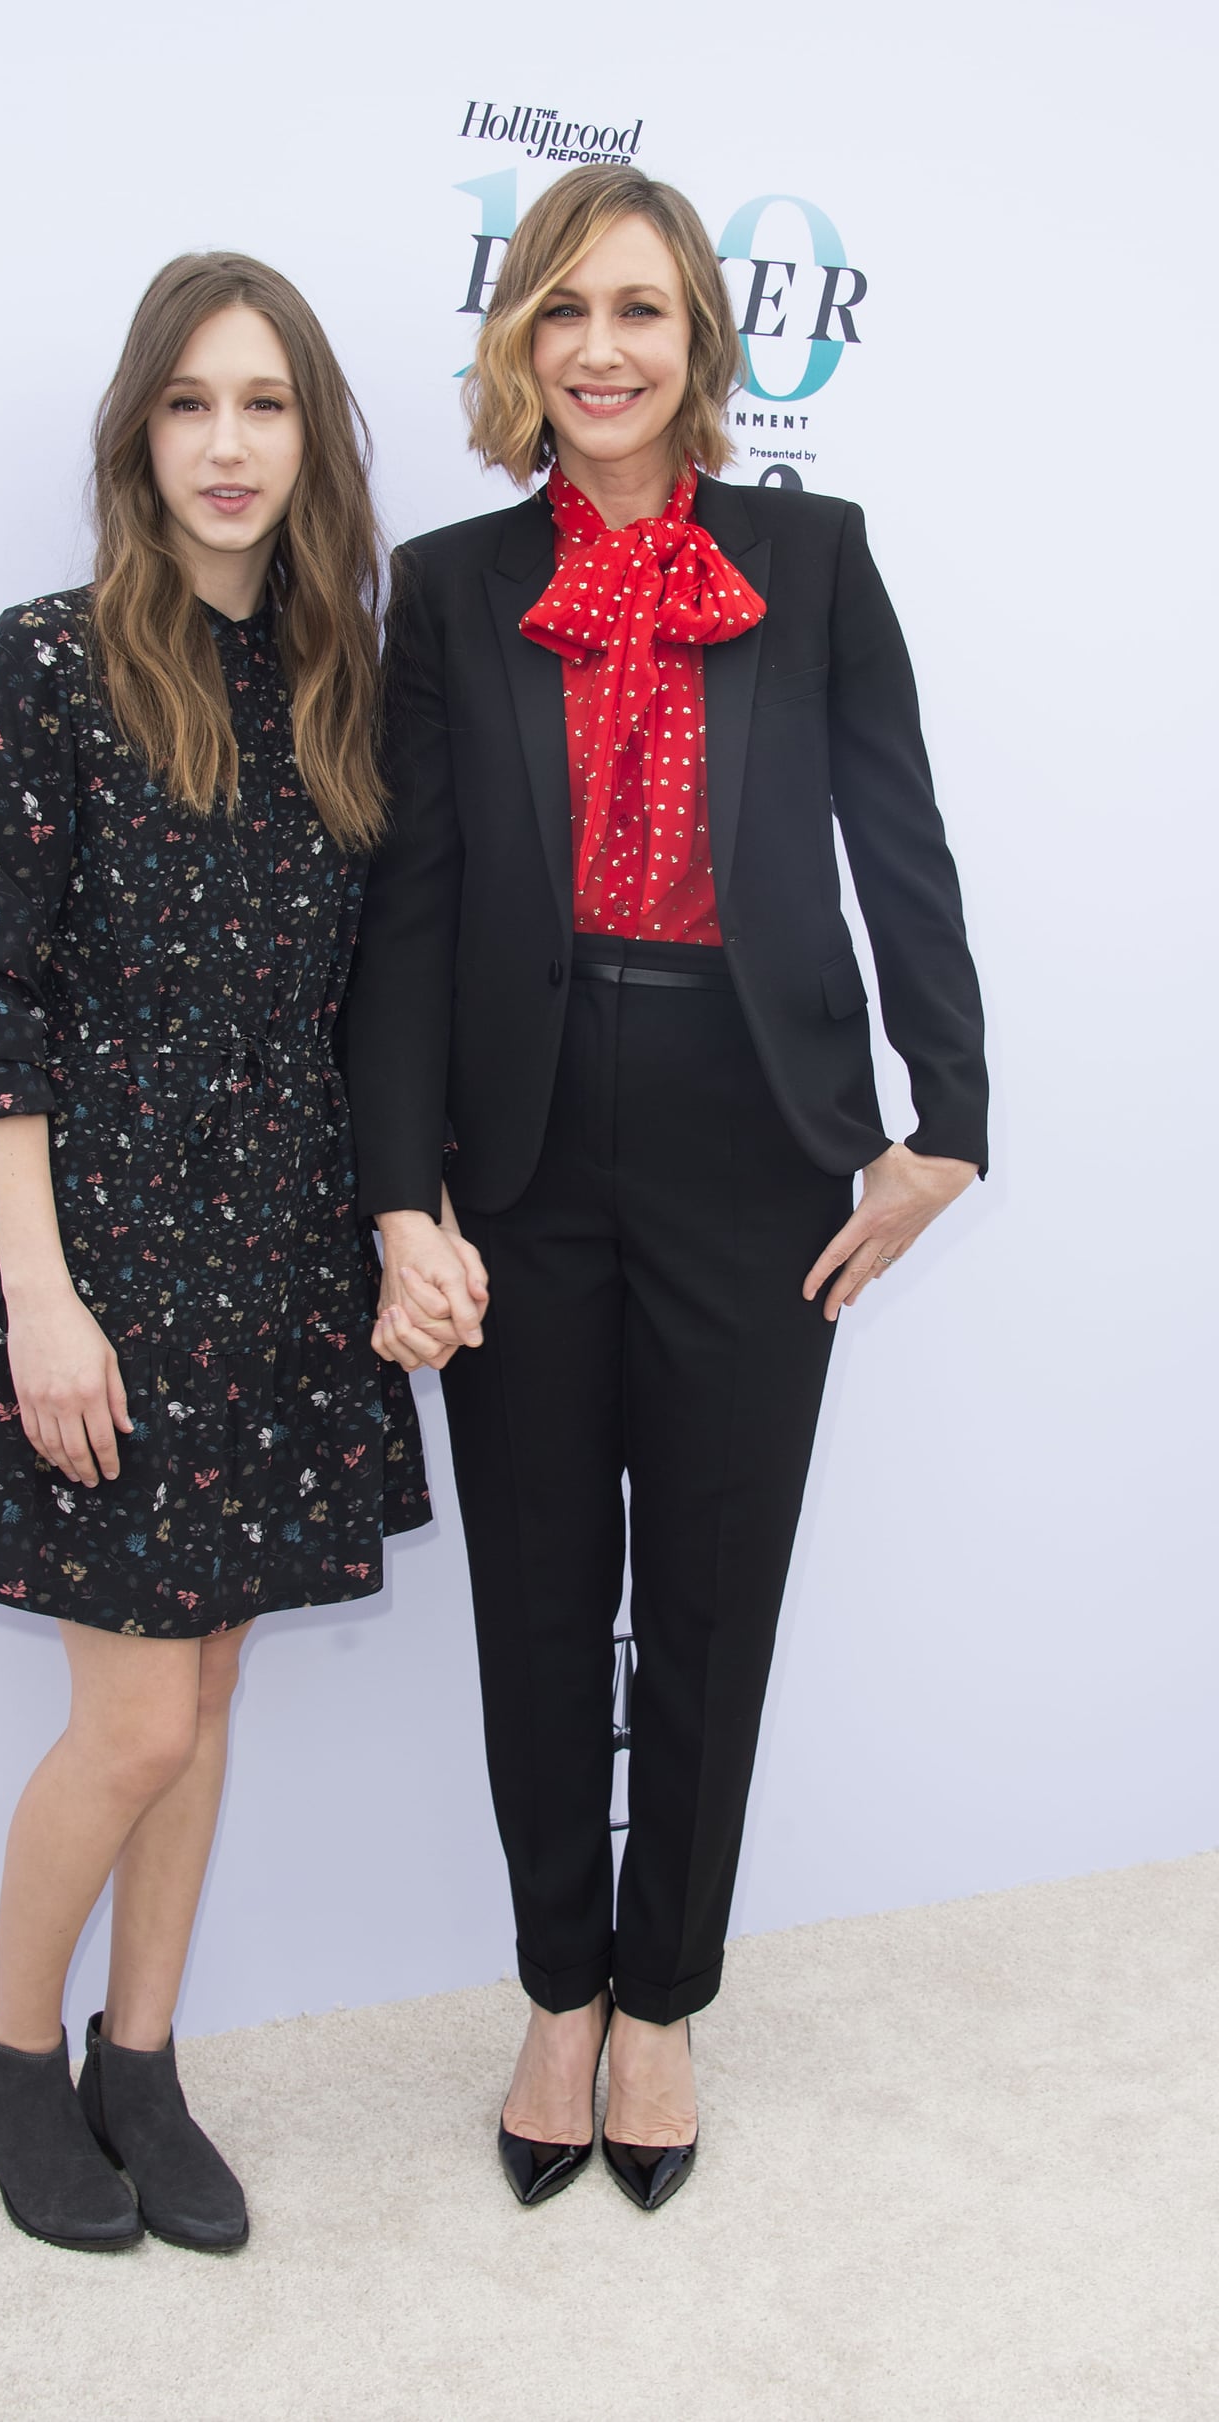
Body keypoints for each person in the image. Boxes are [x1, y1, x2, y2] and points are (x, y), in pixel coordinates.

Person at [343, 165, 987, 2213]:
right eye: (562, 313)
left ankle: (665, 2001)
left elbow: (902, 837)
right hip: (516, 1149)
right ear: (517, 343)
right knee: (540, 1593)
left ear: (701, 334)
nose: (601, 350)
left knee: (712, 1593)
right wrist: (400, 1191)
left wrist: (947, 1117)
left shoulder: (814, 555)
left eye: (639, 309)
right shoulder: (448, 586)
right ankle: (556, 1988)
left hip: (755, 1130)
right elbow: (414, 905)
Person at [0, 253, 427, 2254]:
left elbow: (384, 995)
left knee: (204, 1709)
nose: (228, 444)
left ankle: (145, 2055)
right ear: (143, 434)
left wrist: (407, 1216)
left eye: (267, 404)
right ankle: (14, 2063)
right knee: (128, 1720)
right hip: (107, 1267)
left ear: (313, 440)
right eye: (191, 403)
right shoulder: (45, 667)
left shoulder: (343, 684)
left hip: (287, 1258)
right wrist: (41, 1294)